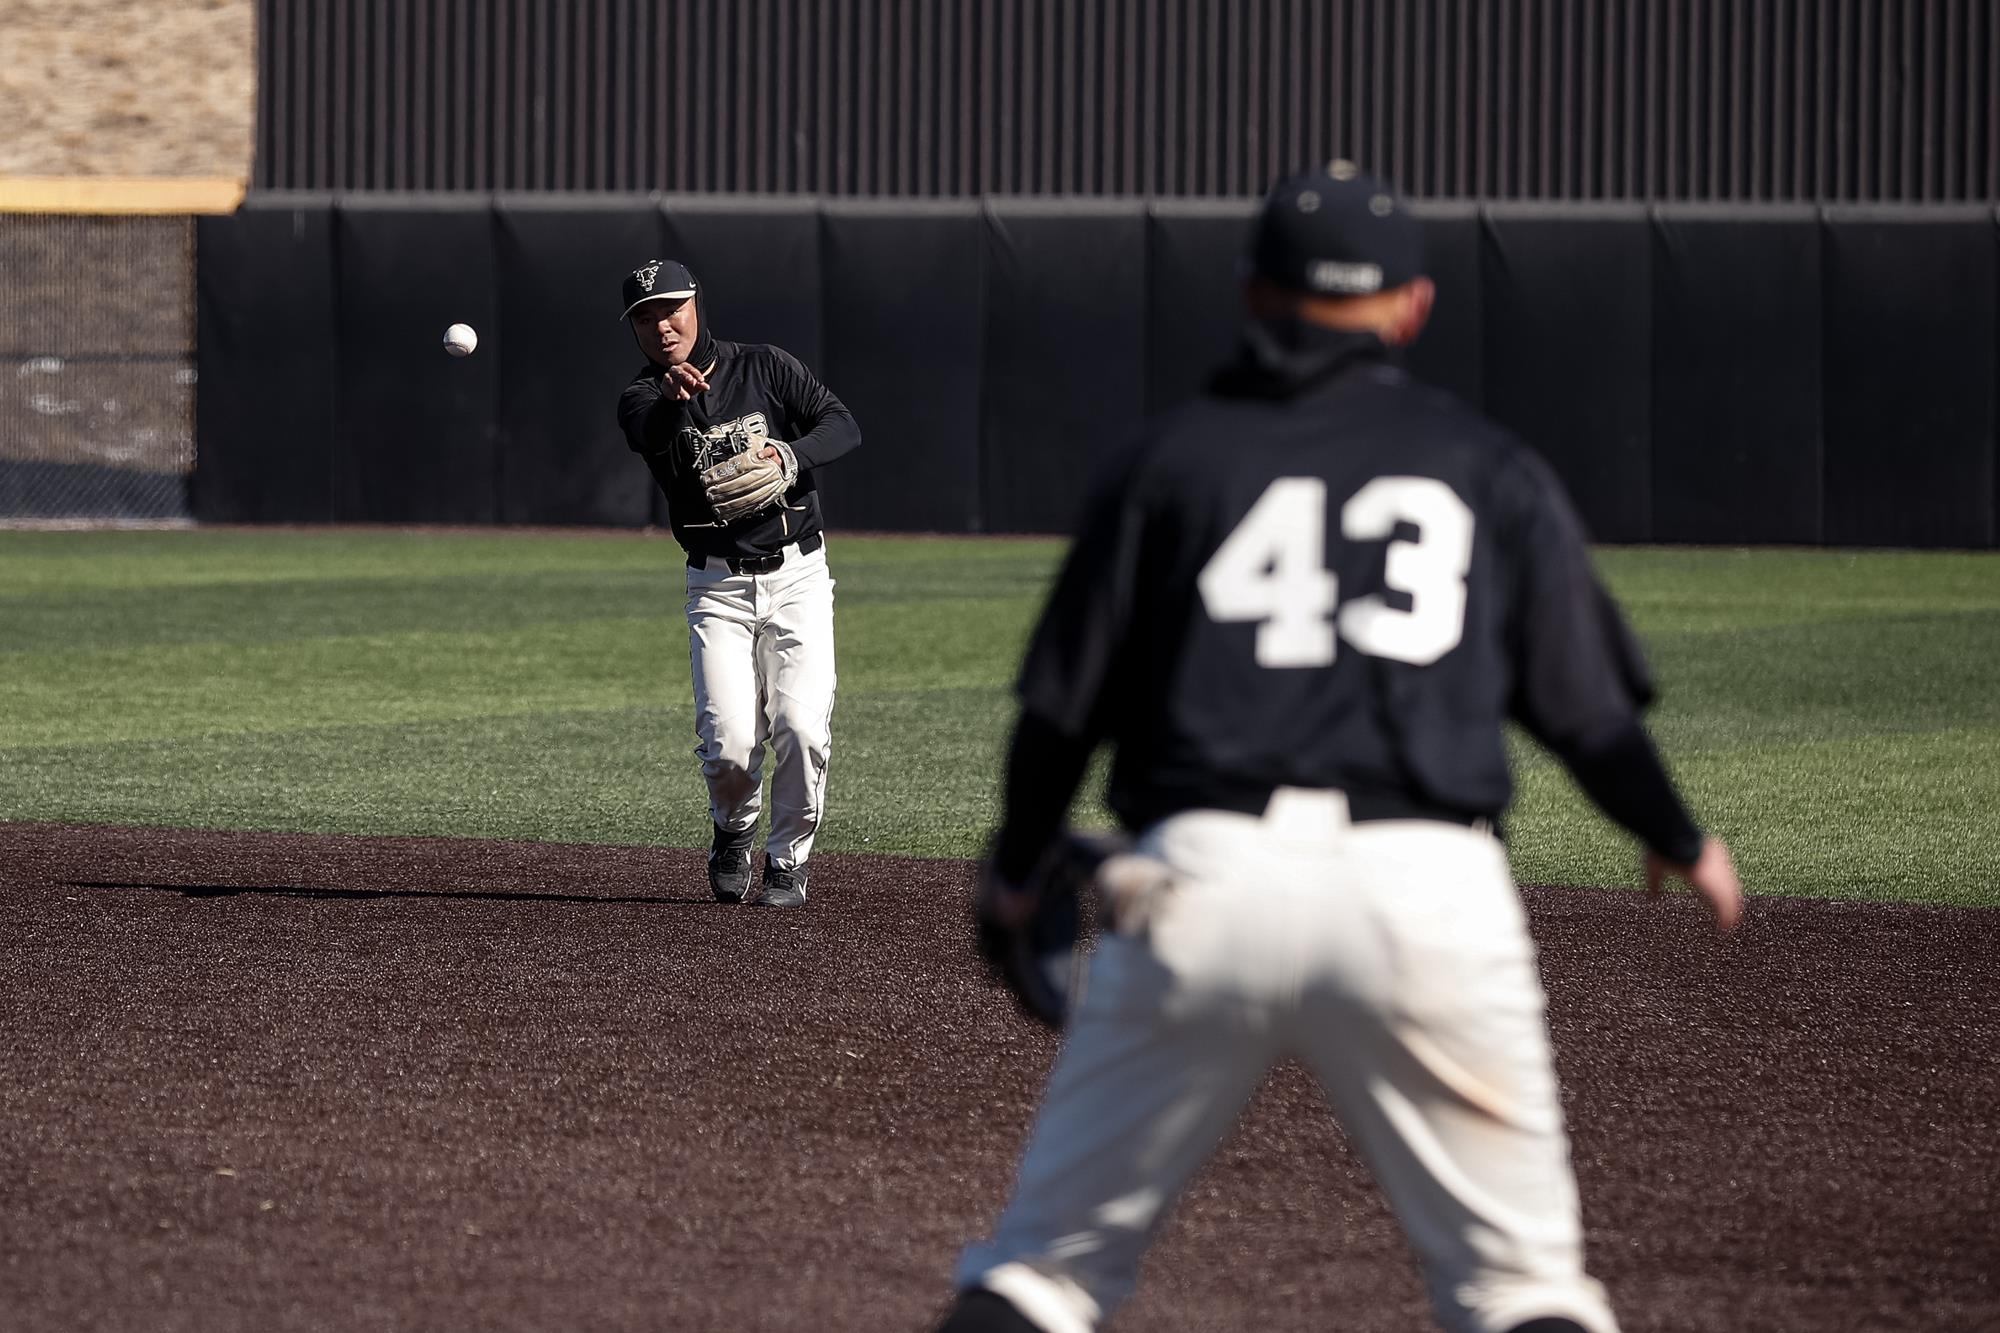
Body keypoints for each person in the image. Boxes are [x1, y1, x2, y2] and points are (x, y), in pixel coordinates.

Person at [938, 163, 1743, 1333]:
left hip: (1201, 883)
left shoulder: (1170, 461)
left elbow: (1060, 716)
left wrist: (1015, 869)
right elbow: (1587, 717)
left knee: (1042, 1275)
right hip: (1428, 889)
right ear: (1410, 308)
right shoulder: (1485, 465)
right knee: (1521, 1290)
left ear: (1249, 293)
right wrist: (1676, 835)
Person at [615, 259, 860, 908]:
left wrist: (791, 454)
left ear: (696, 305)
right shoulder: (641, 399)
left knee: (801, 729)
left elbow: (842, 424)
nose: (662, 326)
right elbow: (651, 432)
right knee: (728, 744)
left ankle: (787, 861)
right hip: (717, 588)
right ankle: (733, 829)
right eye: (645, 317)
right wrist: (673, 401)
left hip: (798, 575)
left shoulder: (764, 367)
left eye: (672, 309)